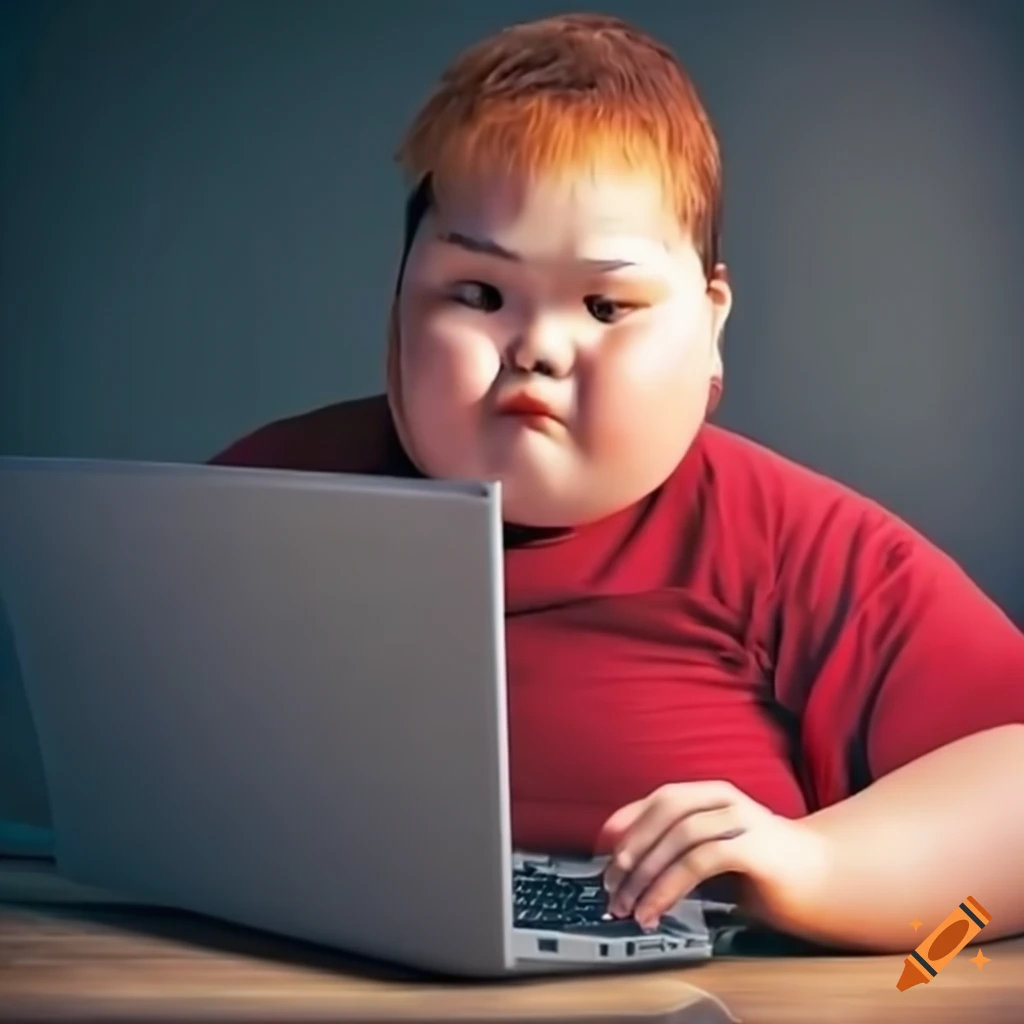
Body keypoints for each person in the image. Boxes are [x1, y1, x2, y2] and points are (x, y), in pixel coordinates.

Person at [210, 14, 1024, 952]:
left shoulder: (807, 552)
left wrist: (811, 865)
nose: (539, 350)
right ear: (400, 300)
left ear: (710, 320)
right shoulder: (260, 503)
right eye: (478, 295)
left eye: (607, 306)